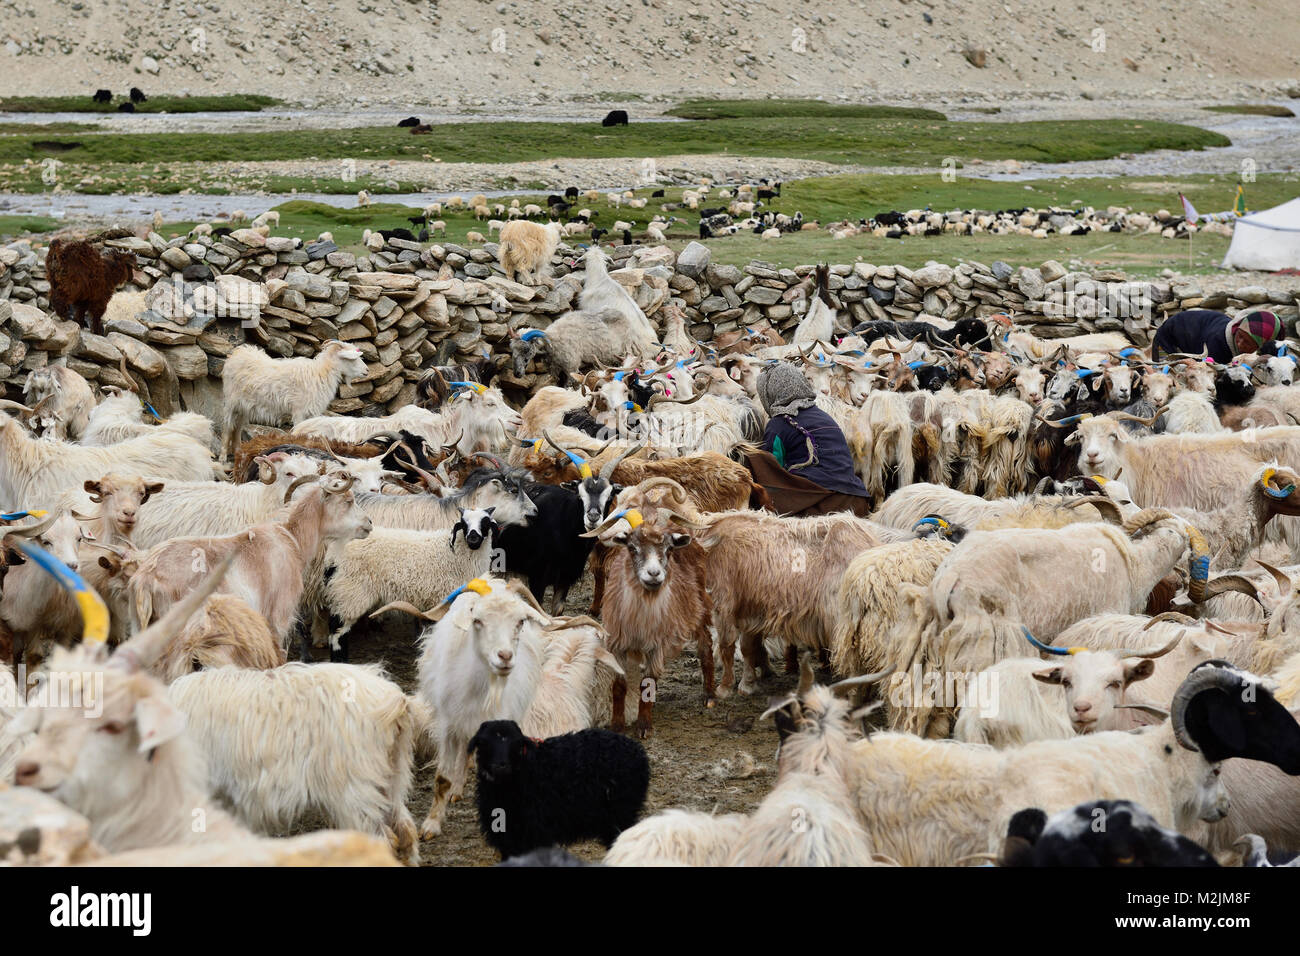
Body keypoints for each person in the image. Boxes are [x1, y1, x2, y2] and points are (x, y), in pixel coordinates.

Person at [745, 363, 871, 517]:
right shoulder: (824, 416)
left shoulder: (779, 423)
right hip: (856, 500)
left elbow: (771, 468)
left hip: (820, 504)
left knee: (758, 461)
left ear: (769, 392)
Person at [1150, 308, 1286, 364]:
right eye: (1240, 336)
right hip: (1167, 339)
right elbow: (1206, 371)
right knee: (1162, 377)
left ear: (1260, 345)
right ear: (1237, 328)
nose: (1240, 343)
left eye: (1247, 343)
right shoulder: (1217, 344)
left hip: (1194, 336)